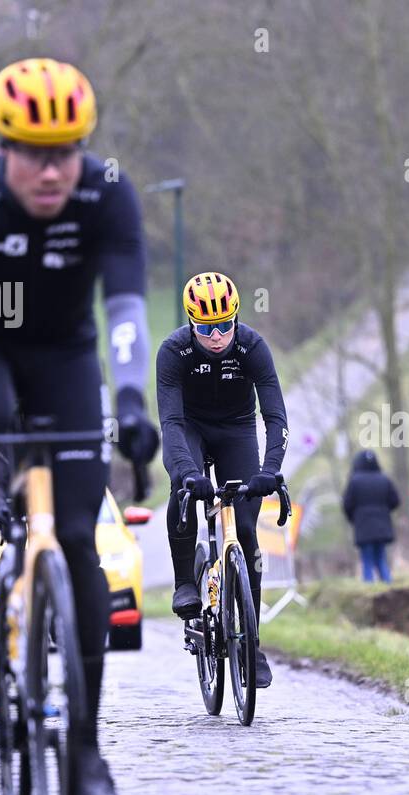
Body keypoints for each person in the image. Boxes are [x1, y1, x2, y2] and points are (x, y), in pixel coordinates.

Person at [0, 58, 159, 795]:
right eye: (35, 152)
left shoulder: (107, 196)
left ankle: (85, 748)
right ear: (5, 147)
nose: (53, 170)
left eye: (68, 150)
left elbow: (124, 309)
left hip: (63, 355)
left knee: (81, 542)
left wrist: (130, 399)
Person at [157, 271, 288, 689]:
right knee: (183, 489)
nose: (216, 336)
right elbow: (172, 423)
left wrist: (270, 471)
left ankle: (252, 643)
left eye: (224, 325)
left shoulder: (253, 347)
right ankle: (184, 582)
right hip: (190, 429)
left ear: (236, 318)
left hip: (236, 430)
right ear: (191, 324)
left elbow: (276, 417)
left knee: (247, 530)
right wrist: (188, 473)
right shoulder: (173, 352)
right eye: (206, 328)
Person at [342, 450, 399, 583]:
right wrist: (383, 511)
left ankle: (369, 588)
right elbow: (395, 501)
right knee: (381, 559)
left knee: (367, 561)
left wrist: (354, 518)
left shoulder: (354, 481)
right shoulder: (384, 479)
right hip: (382, 527)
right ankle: (387, 586)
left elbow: (347, 504)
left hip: (363, 526)